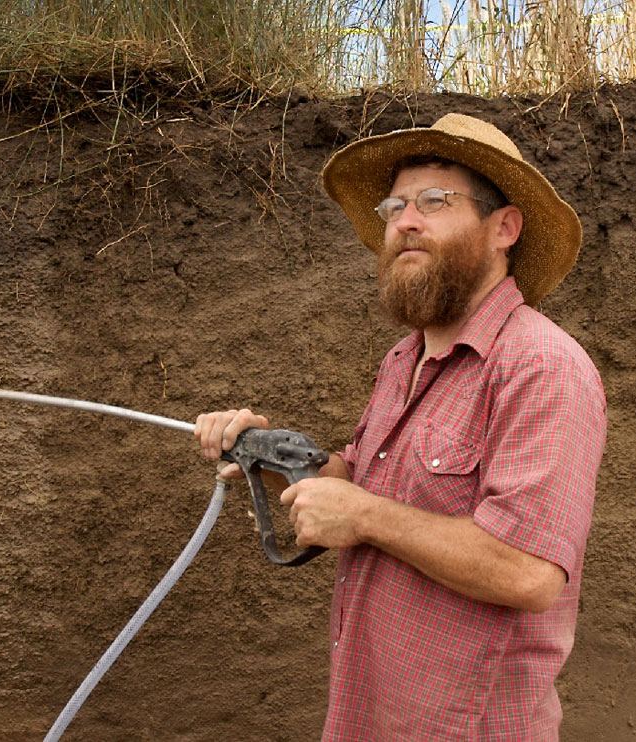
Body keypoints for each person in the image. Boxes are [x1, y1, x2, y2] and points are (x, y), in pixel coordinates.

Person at [195, 113, 606, 741]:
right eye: (394, 206)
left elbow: (528, 573)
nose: (404, 221)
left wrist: (360, 516)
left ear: (504, 228)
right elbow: (364, 480)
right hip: (373, 714)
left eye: (434, 202)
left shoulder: (542, 367)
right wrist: (271, 450)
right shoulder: (404, 359)